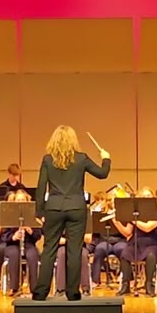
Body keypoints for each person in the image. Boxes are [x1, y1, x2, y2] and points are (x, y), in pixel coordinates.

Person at [30, 125, 111, 302]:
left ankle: (40, 292)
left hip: (54, 207)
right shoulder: (81, 159)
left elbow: (41, 186)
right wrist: (106, 159)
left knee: (49, 249)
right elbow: (102, 174)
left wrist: (39, 210)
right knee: (74, 250)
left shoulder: (47, 160)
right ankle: (73, 292)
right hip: (76, 207)